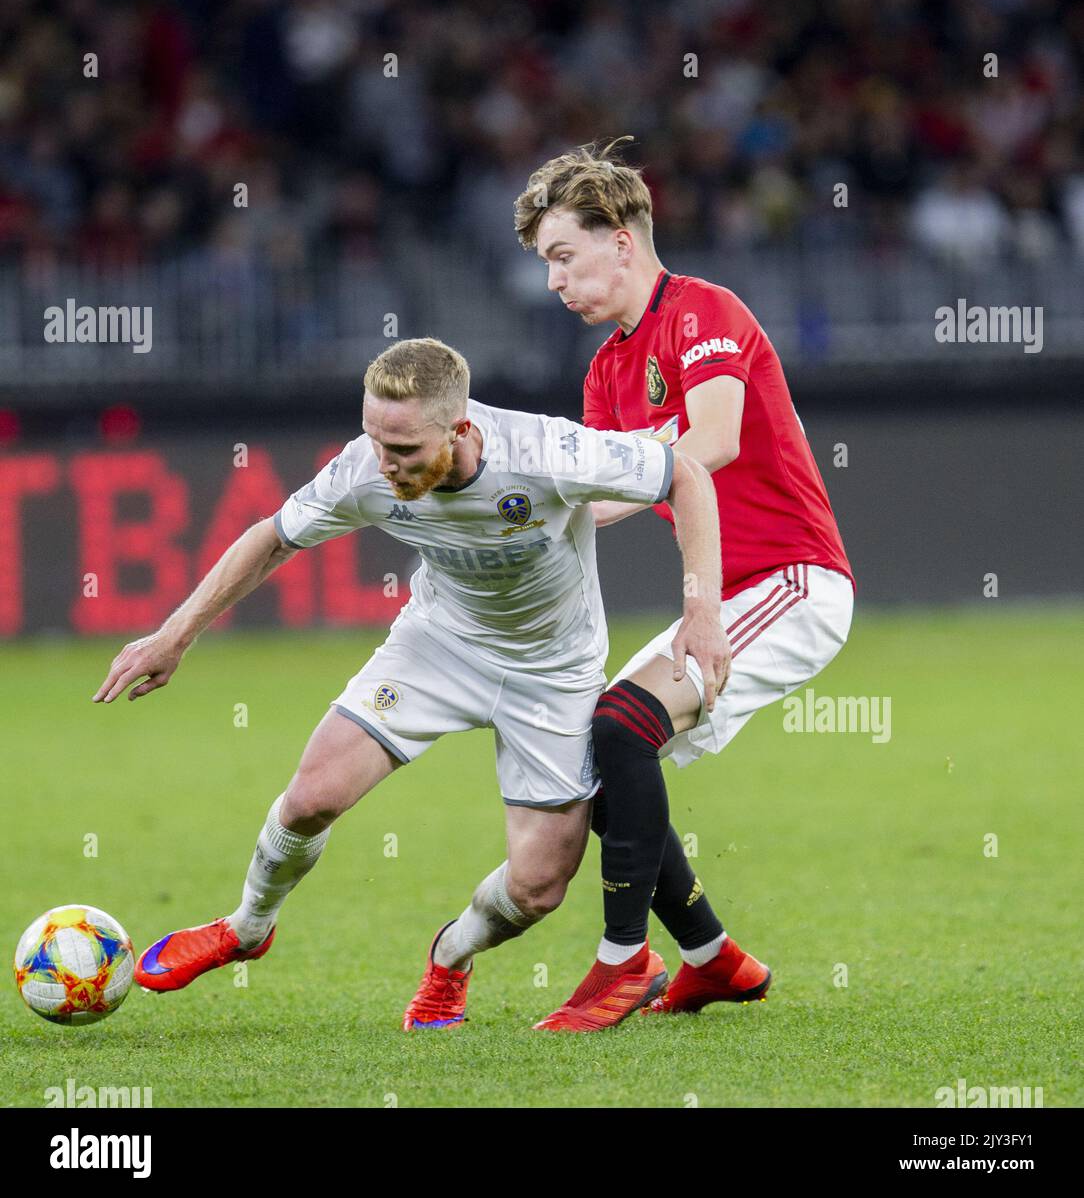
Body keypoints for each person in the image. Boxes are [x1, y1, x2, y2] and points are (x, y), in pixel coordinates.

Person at [92, 336, 729, 1029]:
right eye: (375, 440)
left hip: (554, 674)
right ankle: (247, 928)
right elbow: (271, 536)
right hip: (438, 647)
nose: (385, 466)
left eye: (404, 451)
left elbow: (685, 476)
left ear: (460, 430)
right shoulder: (366, 466)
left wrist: (702, 611)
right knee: (311, 798)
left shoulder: (548, 451)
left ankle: (450, 959)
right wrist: (174, 633)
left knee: (540, 887)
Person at [514, 137, 855, 1031]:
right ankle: (714, 960)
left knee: (621, 730)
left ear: (620, 237)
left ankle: (622, 963)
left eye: (563, 255)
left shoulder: (703, 310)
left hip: (791, 582)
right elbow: (593, 503)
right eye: (546, 263)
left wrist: (615, 485)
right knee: (597, 756)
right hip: (721, 592)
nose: (554, 282)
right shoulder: (603, 372)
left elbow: (713, 441)